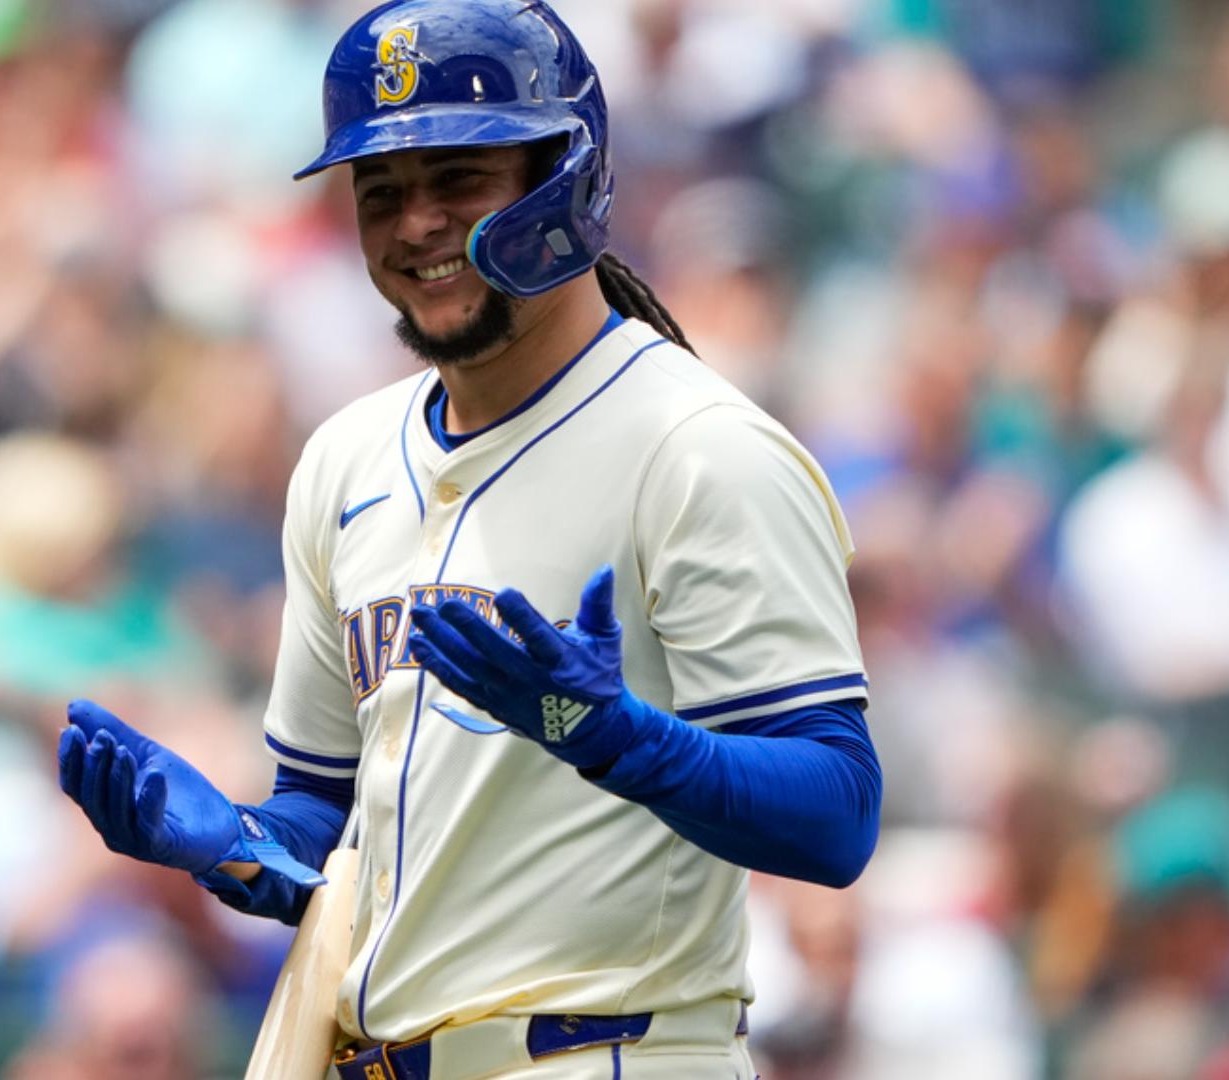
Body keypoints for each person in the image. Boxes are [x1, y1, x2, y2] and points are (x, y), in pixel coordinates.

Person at [54, 2, 883, 1078]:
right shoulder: (346, 460)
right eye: (383, 192)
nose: (416, 225)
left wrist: (623, 742)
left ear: (568, 179)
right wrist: (243, 851)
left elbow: (836, 813)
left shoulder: (697, 447)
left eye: (460, 181)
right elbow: (335, 821)